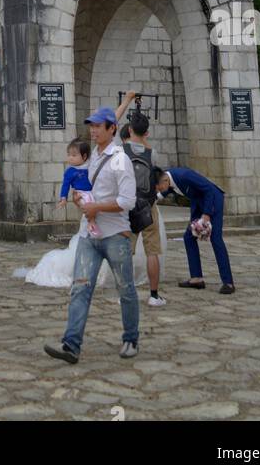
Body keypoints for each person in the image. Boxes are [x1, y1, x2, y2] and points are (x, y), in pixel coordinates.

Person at [43, 107, 139, 364]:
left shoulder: (120, 160)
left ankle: (131, 338)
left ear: (112, 129)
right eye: (92, 126)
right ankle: (71, 345)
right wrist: (80, 200)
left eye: (99, 126)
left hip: (115, 234)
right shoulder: (92, 158)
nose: (93, 130)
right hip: (89, 234)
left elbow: (128, 201)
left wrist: (97, 207)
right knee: (80, 288)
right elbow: (89, 191)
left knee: (126, 288)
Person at [157, 166, 235, 294]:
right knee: (188, 237)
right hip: (198, 203)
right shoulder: (168, 178)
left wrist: (207, 214)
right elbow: (169, 189)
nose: (159, 189)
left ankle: (228, 282)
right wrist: (156, 197)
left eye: (159, 187)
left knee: (216, 239)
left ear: (165, 180)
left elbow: (208, 190)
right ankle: (196, 278)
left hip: (212, 200)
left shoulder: (184, 175)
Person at [122, 112, 167, 307]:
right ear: (147, 132)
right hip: (148, 207)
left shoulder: (121, 151)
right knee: (152, 251)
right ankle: (154, 295)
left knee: (125, 251)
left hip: (128, 206)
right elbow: (158, 178)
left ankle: (124, 294)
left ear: (130, 130)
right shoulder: (153, 153)